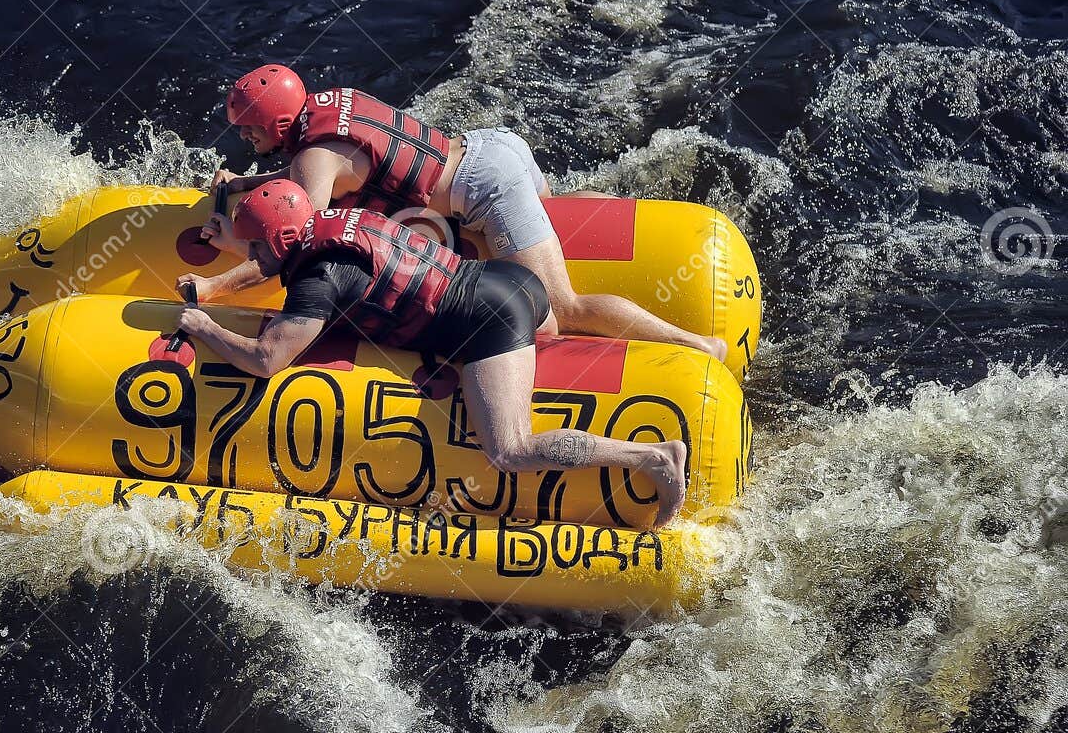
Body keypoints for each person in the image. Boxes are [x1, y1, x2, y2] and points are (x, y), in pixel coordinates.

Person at [174, 179, 689, 527]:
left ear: (283, 238)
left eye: (258, 247)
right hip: (511, 282)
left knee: (507, 448)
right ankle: (682, 349)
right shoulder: (338, 219)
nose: (255, 259)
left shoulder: (318, 278)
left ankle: (652, 457)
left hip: (490, 319)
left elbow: (266, 359)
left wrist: (204, 326)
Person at [185, 64, 726, 362]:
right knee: (549, 222)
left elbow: (298, 239)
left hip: (484, 188)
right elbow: (339, 167)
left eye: (249, 127)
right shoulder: (327, 104)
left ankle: (699, 345)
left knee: (563, 307)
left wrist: (215, 288)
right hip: (492, 146)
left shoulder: (311, 158)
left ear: (278, 120)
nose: (245, 136)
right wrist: (251, 182)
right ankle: (624, 213)